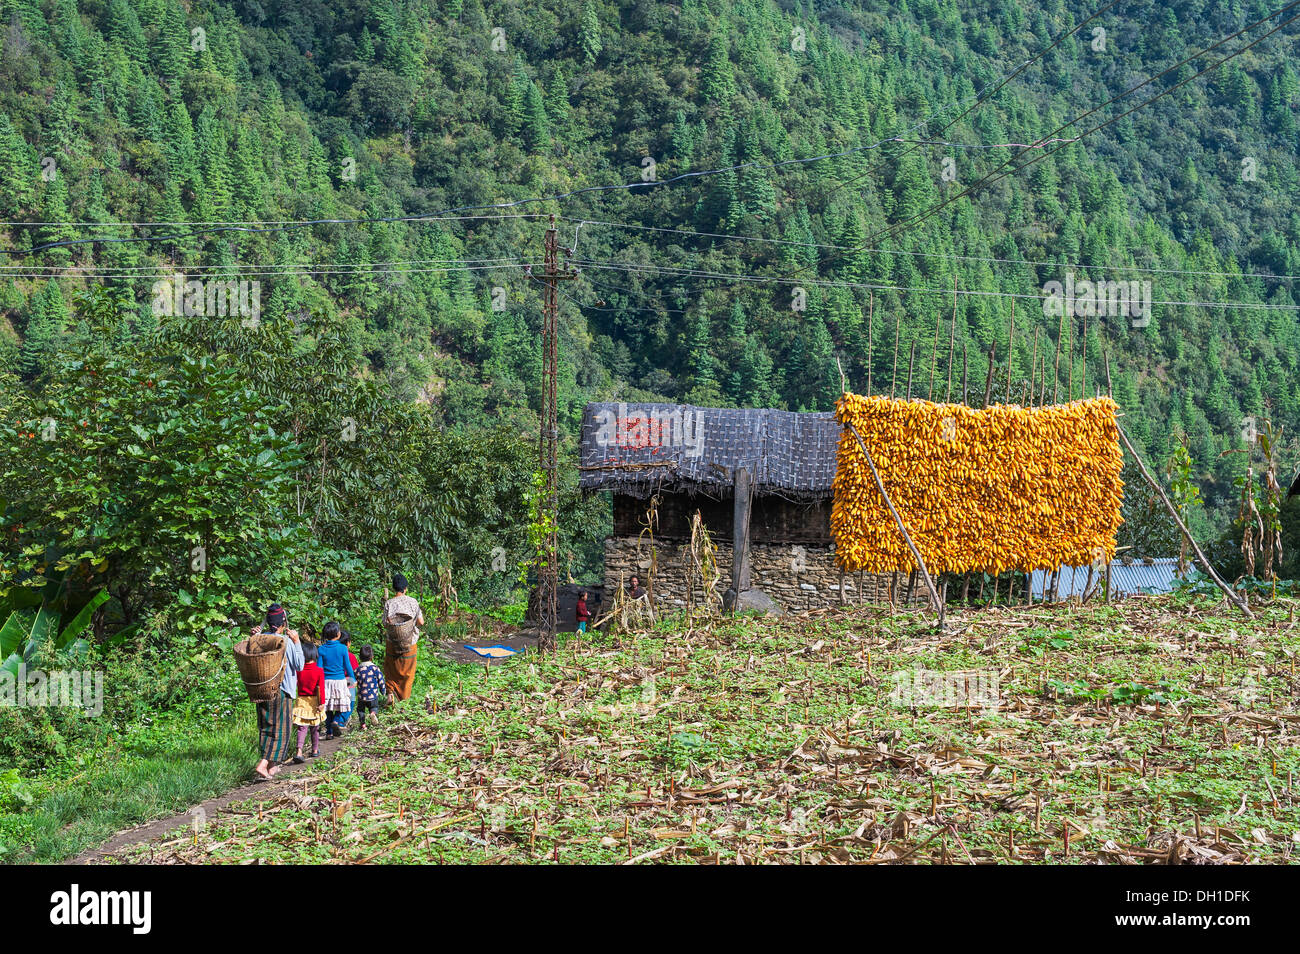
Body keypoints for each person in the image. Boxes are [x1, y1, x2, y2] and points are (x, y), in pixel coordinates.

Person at [254, 604, 303, 781]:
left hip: (261, 690)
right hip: (281, 691)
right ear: (283, 623)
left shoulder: (259, 639)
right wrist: (297, 642)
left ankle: (273, 767)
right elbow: (299, 665)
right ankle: (264, 763)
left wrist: (255, 635)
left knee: (266, 726)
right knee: (281, 729)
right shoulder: (286, 642)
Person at [382, 573, 424, 702]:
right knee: (408, 672)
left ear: (394, 588)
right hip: (409, 642)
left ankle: (390, 694)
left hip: (392, 643)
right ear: (405, 588)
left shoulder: (389, 603)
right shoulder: (413, 602)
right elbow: (421, 622)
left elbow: (385, 623)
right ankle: (404, 699)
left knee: (390, 669)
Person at [317, 621, 355, 737]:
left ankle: (329, 732)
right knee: (342, 704)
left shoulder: (321, 649)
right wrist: (352, 678)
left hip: (326, 682)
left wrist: (317, 682)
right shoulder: (343, 648)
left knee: (328, 709)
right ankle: (336, 721)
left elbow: (319, 668)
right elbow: (347, 665)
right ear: (338, 634)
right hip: (340, 681)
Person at [292, 642, 325, 762]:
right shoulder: (319, 670)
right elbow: (321, 688)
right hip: (314, 701)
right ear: (315, 654)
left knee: (302, 727)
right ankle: (315, 750)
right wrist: (322, 703)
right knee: (315, 727)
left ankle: (299, 751)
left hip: (301, 700)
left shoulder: (298, 670)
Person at [355, 644, 384, 728]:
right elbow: (381, 680)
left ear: (360, 657)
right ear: (372, 657)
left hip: (362, 696)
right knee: (374, 707)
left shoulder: (357, 670)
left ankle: (363, 725)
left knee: (361, 710)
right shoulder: (375, 668)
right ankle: (373, 713)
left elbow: (353, 681)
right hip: (373, 695)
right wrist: (383, 691)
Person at [336, 630, 360, 727]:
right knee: (350, 703)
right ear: (348, 643)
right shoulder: (351, 656)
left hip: (337, 681)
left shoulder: (335, 655)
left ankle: (335, 721)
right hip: (349, 682)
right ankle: (340, 722)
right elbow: (355, 671)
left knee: (338, 705)